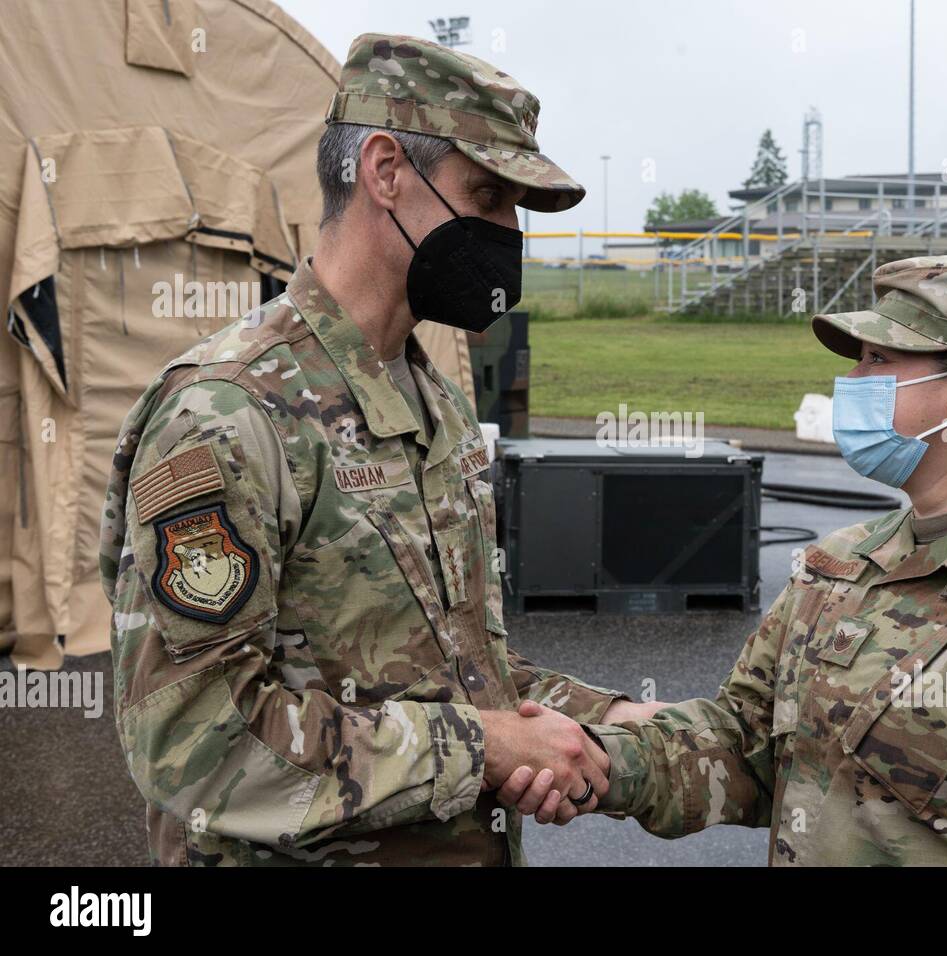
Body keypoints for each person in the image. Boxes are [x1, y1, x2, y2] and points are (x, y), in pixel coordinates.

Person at [99, 32, 658, 867]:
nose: (507, 234)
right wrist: (486, 751)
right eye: (488, 195)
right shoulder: (227, 411)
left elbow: (462, 674)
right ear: (387, 170)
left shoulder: (435, 404)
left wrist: (602, 720)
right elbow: (195, 746)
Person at [579, 256, 947, 865]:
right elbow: (746, 748)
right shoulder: (839, 563)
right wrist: (591, 762)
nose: (853, 379)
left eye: (879, 359)